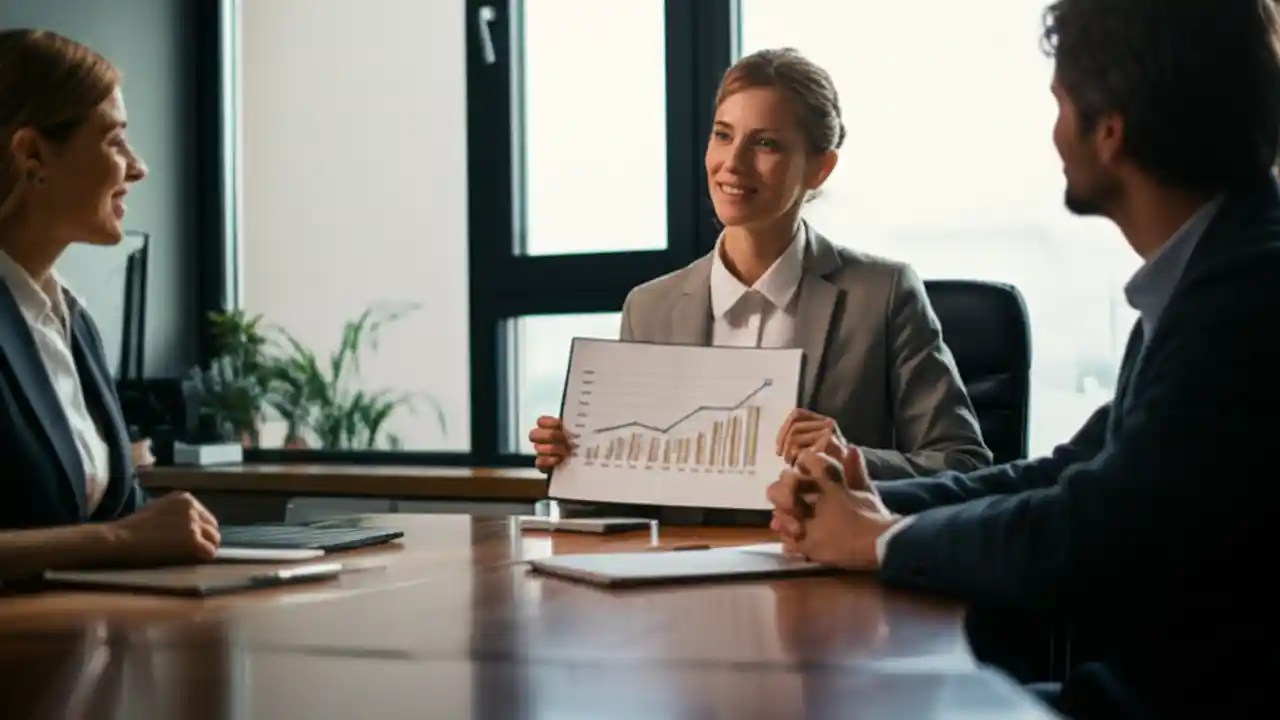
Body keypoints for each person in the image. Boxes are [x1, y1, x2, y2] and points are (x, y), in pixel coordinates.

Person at [766, 1, 1280, 717]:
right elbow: (1069, 471)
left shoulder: (1246, 301)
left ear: (1109, 132)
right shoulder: (1209, 277)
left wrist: (884, 541)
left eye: (1059, 105)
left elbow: (1093, 529)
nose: (1054, 132)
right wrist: (870, 506)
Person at [530, 48, 991, 489]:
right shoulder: (649, 307)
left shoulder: (883, 295)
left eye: (765, 143)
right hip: (677, 567)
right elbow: (632, 488)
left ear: (820, 170)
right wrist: (575, 462)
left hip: (819, 565)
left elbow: (962, 465)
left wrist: (850, 458)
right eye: (723, 135)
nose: (732, 163)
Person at [0, 29, 220, 580]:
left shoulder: (71, 322)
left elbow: (118, 515)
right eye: (114, 141)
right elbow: (113, 534)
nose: (138, 166)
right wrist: (120, 538)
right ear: (32, 155)